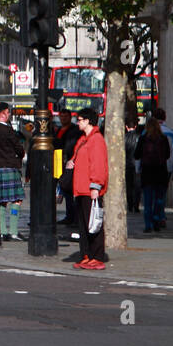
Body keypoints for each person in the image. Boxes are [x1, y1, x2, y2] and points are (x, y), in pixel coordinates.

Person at [67, 108, 109, 269]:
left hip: (89, 188)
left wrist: (96, 186)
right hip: (80, 188)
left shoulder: (96, 140)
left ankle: (97, 256)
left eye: (80, 119)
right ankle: (86, 254)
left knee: (94, 223)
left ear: (87, 121)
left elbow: (98, 164)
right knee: (84, 225)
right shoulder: (83, 139)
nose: (77, 122)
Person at [0, 102, 27, 241]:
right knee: (17, 200)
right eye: (8, 112)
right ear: (3, 114)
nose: (9, 114)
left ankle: (3, 231)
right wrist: (22, 153)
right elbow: (18, 148)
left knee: (1, 201)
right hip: (10, 166)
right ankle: (14, 231)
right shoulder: (8, 130)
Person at [135, 117, 171, 233]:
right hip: (161, 172)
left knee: (147, 200)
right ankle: (156, 221)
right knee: (159, 200)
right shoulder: (163, 138)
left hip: (147, 173)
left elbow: (136, 155)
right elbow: (167, 155)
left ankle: (148, 225)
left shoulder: (143, 138)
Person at [56, 108, 82, 225]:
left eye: (65, 117)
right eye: (61, 117)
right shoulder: (59, 130)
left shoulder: (74, 130)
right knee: (64, 192)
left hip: (68, 163)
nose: (63, 119)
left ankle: (73, 217)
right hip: (58, 162)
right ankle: (69, 215)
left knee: (69, 191)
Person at [155, 107, 173, 228]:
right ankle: (161, 215)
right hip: (166, 167)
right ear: (164, 118)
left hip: (150, 167)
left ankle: (152, 217)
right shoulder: (171, 133)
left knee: (151, 193)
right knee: (162, 193)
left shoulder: (146, 132)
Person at [124, 108, 141, 213]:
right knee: (137, 186)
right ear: (135, 126)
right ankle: (136, 205)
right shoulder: (139, 137)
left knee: (129, 186)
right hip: (137, 164)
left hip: (127, 164)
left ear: (126, 127)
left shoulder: (124, 137)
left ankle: (130, 205)